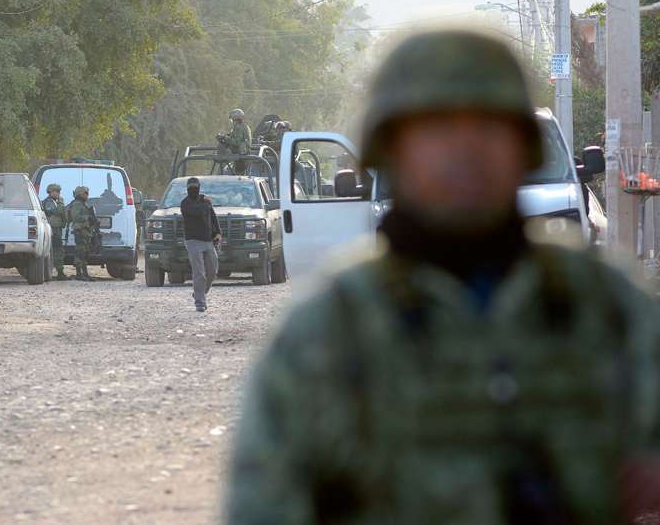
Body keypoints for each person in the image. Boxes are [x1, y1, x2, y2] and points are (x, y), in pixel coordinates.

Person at [226, 28, 660, 523]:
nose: (465, 148)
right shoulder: (329, 328)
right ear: (389, 149)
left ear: (523, 145)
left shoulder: (607, 306)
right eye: (435, 128)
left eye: (487, 125)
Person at [181, 178, 221, 312]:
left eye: (195, 186)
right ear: (187, 189)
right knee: (199, 272)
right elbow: (198, 211)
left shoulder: (206, 203)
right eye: (190, 187)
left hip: (208, 241)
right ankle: (200, 302)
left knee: (213, 270)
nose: (193, 189)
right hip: (193, 242)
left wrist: (218, 232)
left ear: (199, 187)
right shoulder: (185, 204)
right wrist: (206, 201)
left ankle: (200, 292)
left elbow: (212, 217)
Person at [67, 185, 96, 282]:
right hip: (80, 231)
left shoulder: (83, 204)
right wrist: (87, 217)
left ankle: (85, 273)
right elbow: (75, 217)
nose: (87, 195)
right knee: (80, 253)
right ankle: (79, 274)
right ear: (80, 194)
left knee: (85, 253)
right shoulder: (77, 204)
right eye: (85, 193)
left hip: (85, 231)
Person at [42, 183, 69, 280]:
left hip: (56, 229)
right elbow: (58, 212)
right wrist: (61, 203)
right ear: (51, 192)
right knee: (57, 250)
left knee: (57, 250)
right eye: (56, 191)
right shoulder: (49, 202)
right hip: (53, 229)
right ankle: (59, 272)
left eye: (59, 191)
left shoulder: (53, 201)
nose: (58, 193)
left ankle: (59, 272)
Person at [218, 109, 252, 174]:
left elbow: (237, 142)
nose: (232, 121)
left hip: (241, 154)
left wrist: (226, 138)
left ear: (235, 118)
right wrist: (225, 137)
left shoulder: (239, 127)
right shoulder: (242, 126)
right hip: (241, 153)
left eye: (232, 119)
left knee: (239, 174)